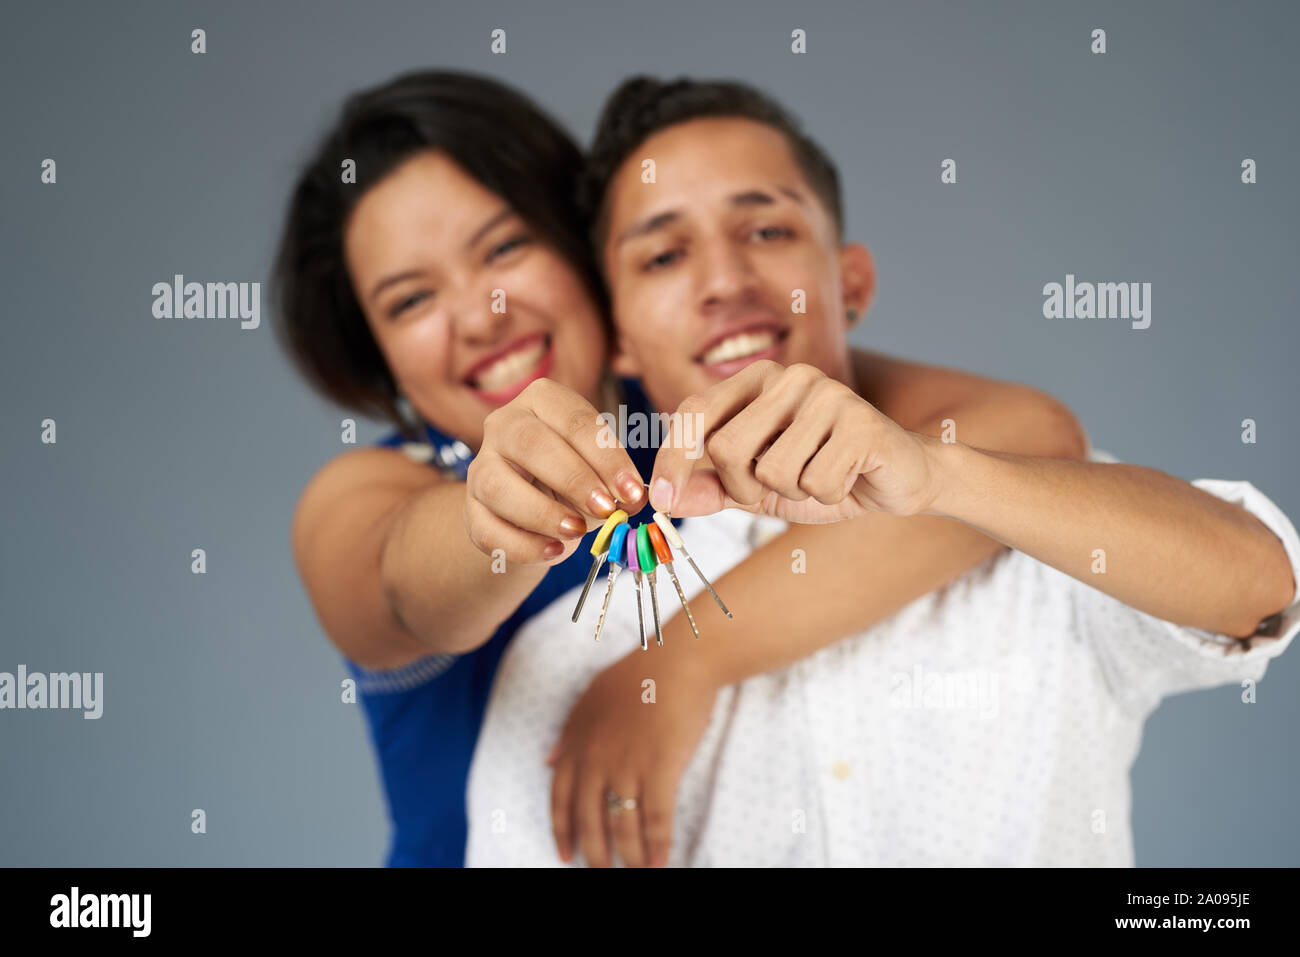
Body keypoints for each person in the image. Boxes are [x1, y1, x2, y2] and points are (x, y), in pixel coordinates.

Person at [462, 76, 1300, 867]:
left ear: (850, 282)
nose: (725, 281)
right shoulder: (575, 660)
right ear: (618, 338)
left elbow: (1261, 584)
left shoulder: (1032, 528)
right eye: (663, 257)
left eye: (768, 230)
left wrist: (940, 478)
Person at [272, 70, 1088, 868]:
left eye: (507, 248)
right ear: (375, 355)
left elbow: (1022, 437)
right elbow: (402, 592)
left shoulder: (694, 394)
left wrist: (680, 663)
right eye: (410, 301)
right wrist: (494, 509)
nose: (483, 316)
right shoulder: (370, 491)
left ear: (587, 251)